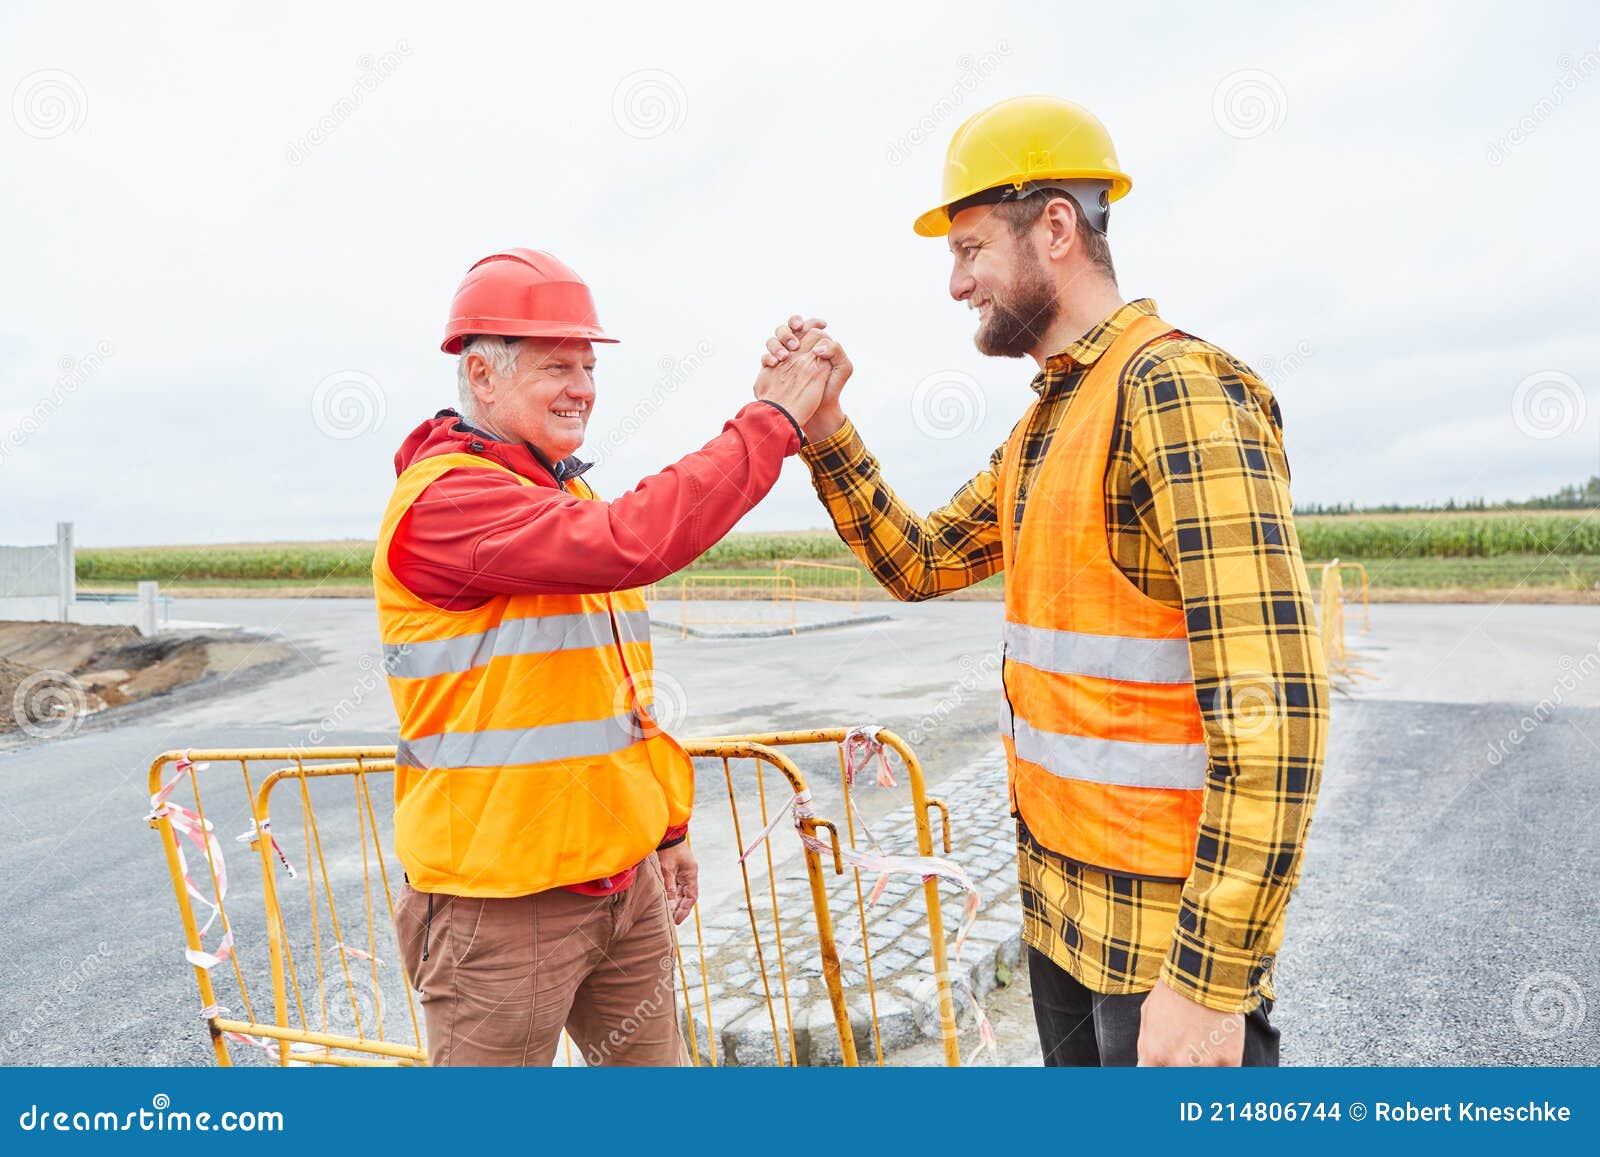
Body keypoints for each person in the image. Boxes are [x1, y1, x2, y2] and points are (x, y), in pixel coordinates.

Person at [766, 96, 1329, 1066]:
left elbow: (1272, 713)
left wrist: (1208, 981)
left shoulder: (1174, 393)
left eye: (971, 248)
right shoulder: (1046, 425)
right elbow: (922, 558)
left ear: (1056, 227)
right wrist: (824, 430)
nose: (955, 283)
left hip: (1162, 953)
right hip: (1064, 927)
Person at [376, 248, 837, 1065]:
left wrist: (666, 830)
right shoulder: (448, 502)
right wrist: (771, 421)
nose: (583, 386)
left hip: (624, 888)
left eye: (589, 365)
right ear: (481, 376)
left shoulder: (560, 496)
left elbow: (611, 695)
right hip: (501, 911)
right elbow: (640, 538)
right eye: (558, 365)